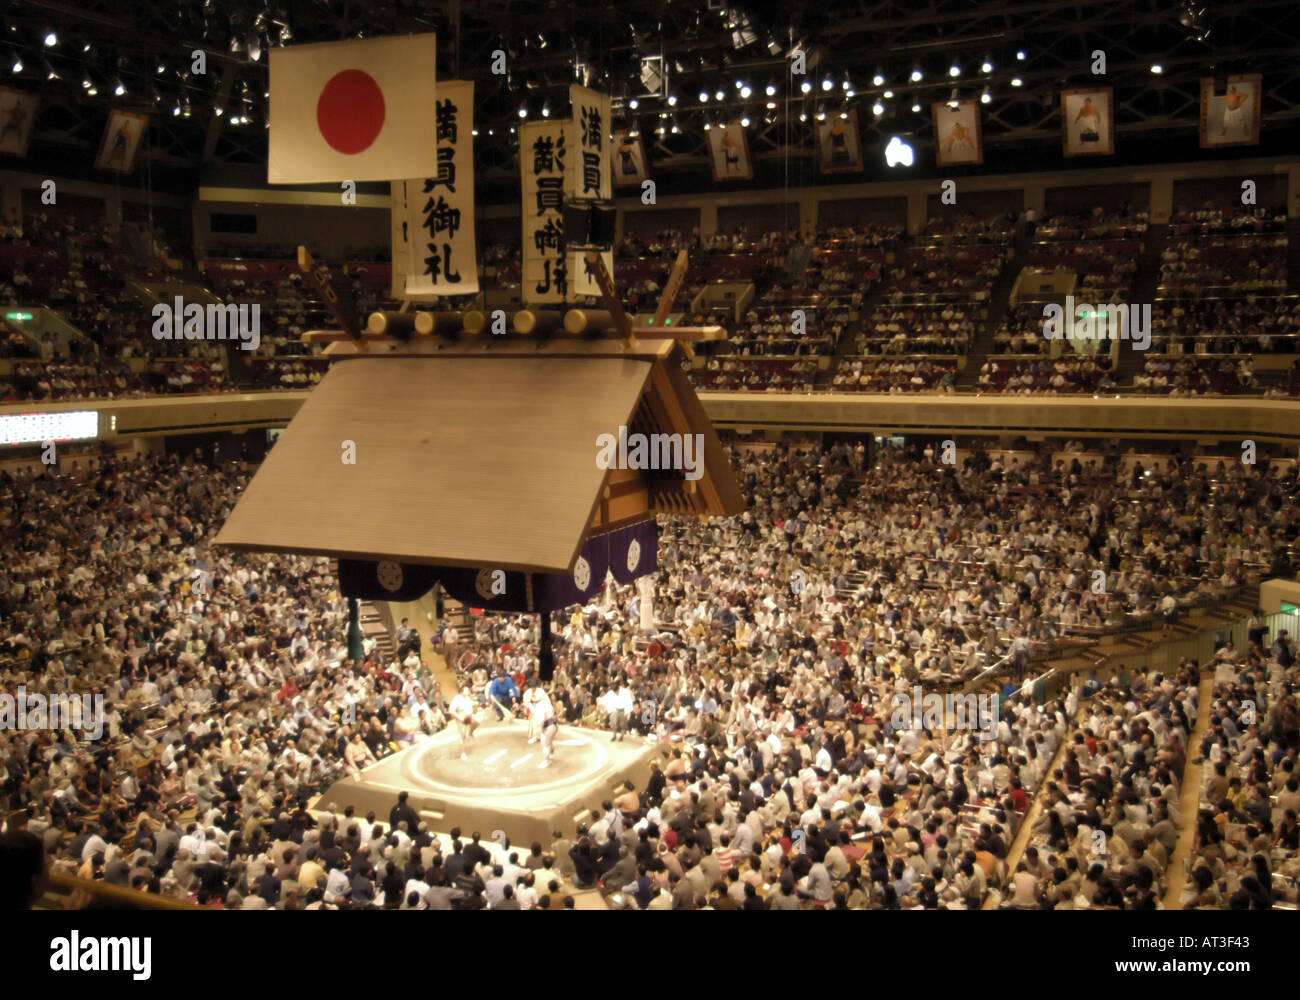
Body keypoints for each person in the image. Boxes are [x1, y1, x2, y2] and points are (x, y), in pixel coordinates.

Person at [448, 686, 479, 760]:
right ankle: (462, 753)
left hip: (468, 716)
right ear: (461, 692)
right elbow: (451, 710)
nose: (468, 691)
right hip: (461, 718)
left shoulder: (467, 698)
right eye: (466, 690)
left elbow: (470, 707)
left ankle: (471, 732)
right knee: (463, 736)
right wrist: (459, 717)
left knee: (477, 722)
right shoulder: (457, 698)